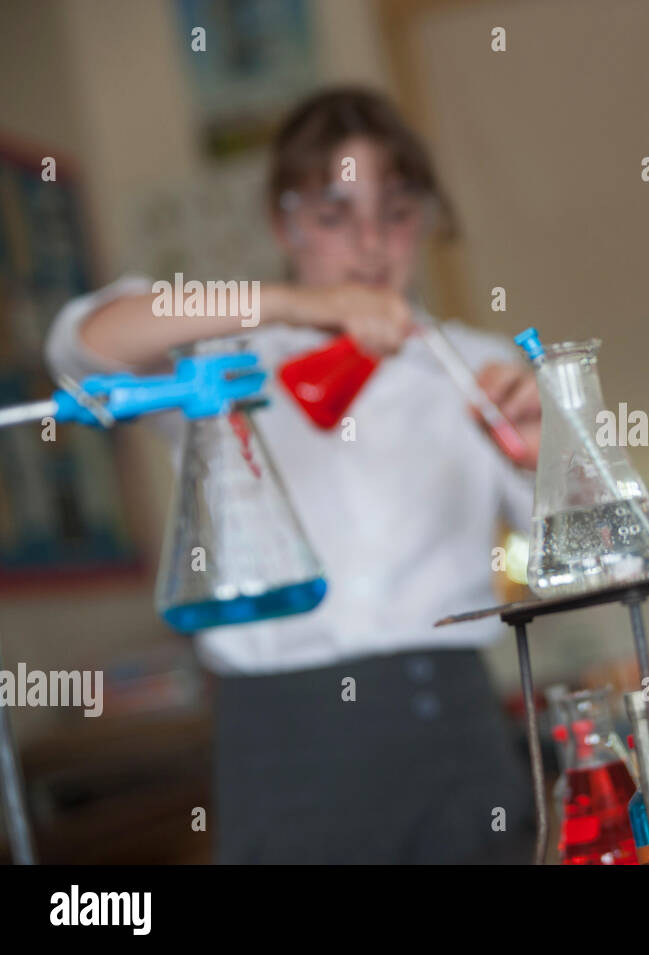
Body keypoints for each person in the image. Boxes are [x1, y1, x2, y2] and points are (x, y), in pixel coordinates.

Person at [46, 87, 542, 864]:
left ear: (427, 220)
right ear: (284, 224)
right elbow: (83, 345)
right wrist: (292, 303)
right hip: (285, 735)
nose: (371, 245)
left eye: (397, 210)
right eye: (333, 213)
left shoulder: (481, 364)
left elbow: (585, 545)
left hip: (455, 718)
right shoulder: (229, 362)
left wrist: (548, 446)